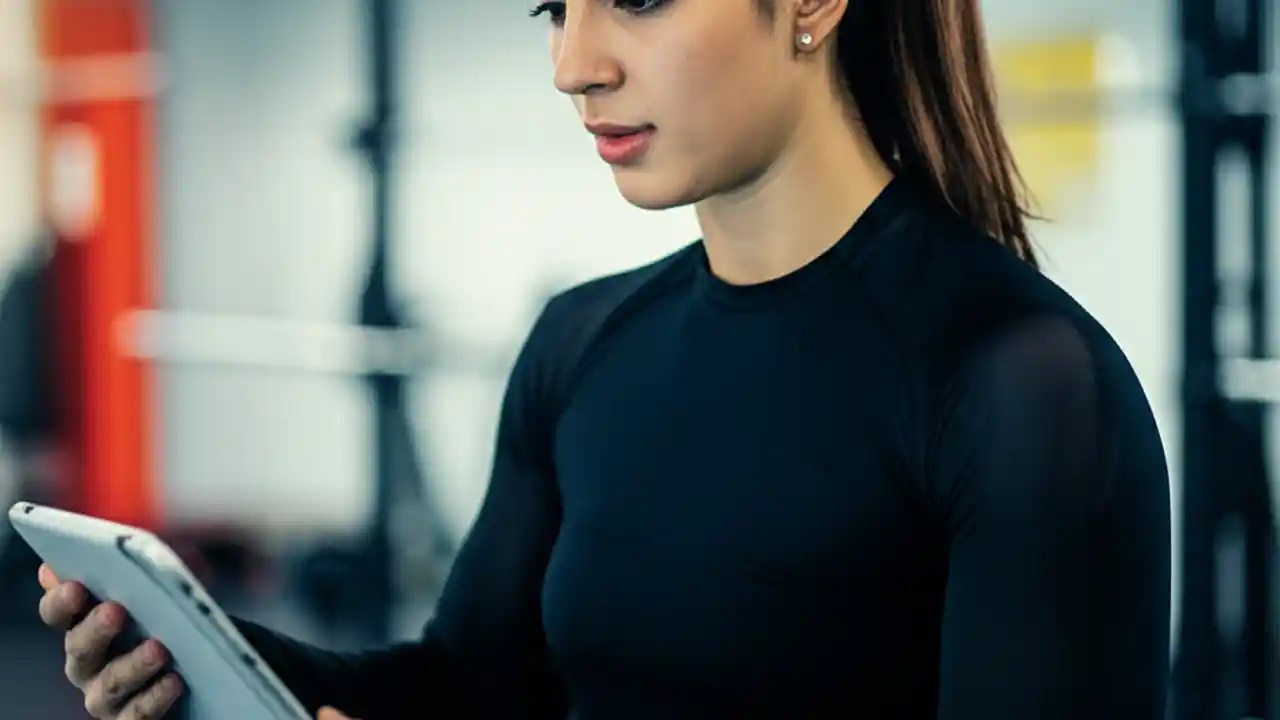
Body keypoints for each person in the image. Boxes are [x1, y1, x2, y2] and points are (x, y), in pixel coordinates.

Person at [35, 0, 1172, 717]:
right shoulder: (581, 345)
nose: (573, 63)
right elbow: (471, 689)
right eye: (552, 7)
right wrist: (203, 652)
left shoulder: (1020, 383)